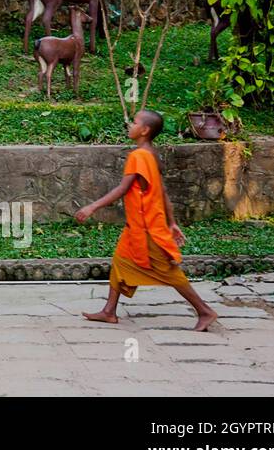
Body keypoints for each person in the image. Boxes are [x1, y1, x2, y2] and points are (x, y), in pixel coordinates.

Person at [76, 109, 218, 332]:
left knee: (169, 272)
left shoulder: (138, 156)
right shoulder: (152, 154)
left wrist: (93, 206)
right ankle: (109, 311)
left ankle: (204, 311)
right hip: (139, 226)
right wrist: (172, 222)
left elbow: (123, 189)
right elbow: (163, 192)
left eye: (133, 123)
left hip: (147, 228)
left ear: (144, 130)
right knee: (120, 262)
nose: (129, 126)